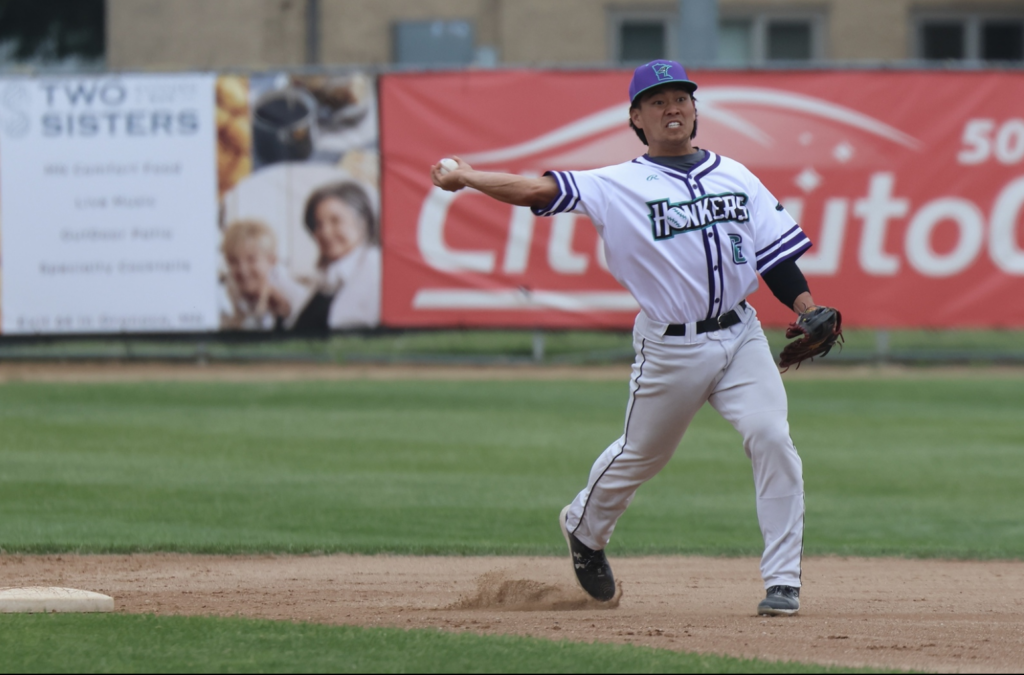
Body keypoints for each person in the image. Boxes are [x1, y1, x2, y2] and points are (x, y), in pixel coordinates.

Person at [430, 60, 829, 616]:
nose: (673, 108)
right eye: (658, 101)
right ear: (636, 117)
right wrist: (470, 177)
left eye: (681, 98)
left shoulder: (736, 176)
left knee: (772, 438)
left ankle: (782, 581)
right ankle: (584, 528)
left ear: (695, 109)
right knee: (641, 455)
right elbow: (534, 190)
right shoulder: (617, 183)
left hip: (742, 336)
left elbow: (776, 259)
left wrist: (808, 308)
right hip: (671, 346)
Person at [292, 181, 381, 332]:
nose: (325, 233)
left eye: (335, 221)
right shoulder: (327, 278)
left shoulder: (376, 271)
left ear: (362, 222)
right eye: (318, 224)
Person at [219, 219, 307, 331]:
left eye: (251, 259)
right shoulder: (227, 293)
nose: (242, 269)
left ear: (272, 260)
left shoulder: (295, 297)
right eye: (233, 261)